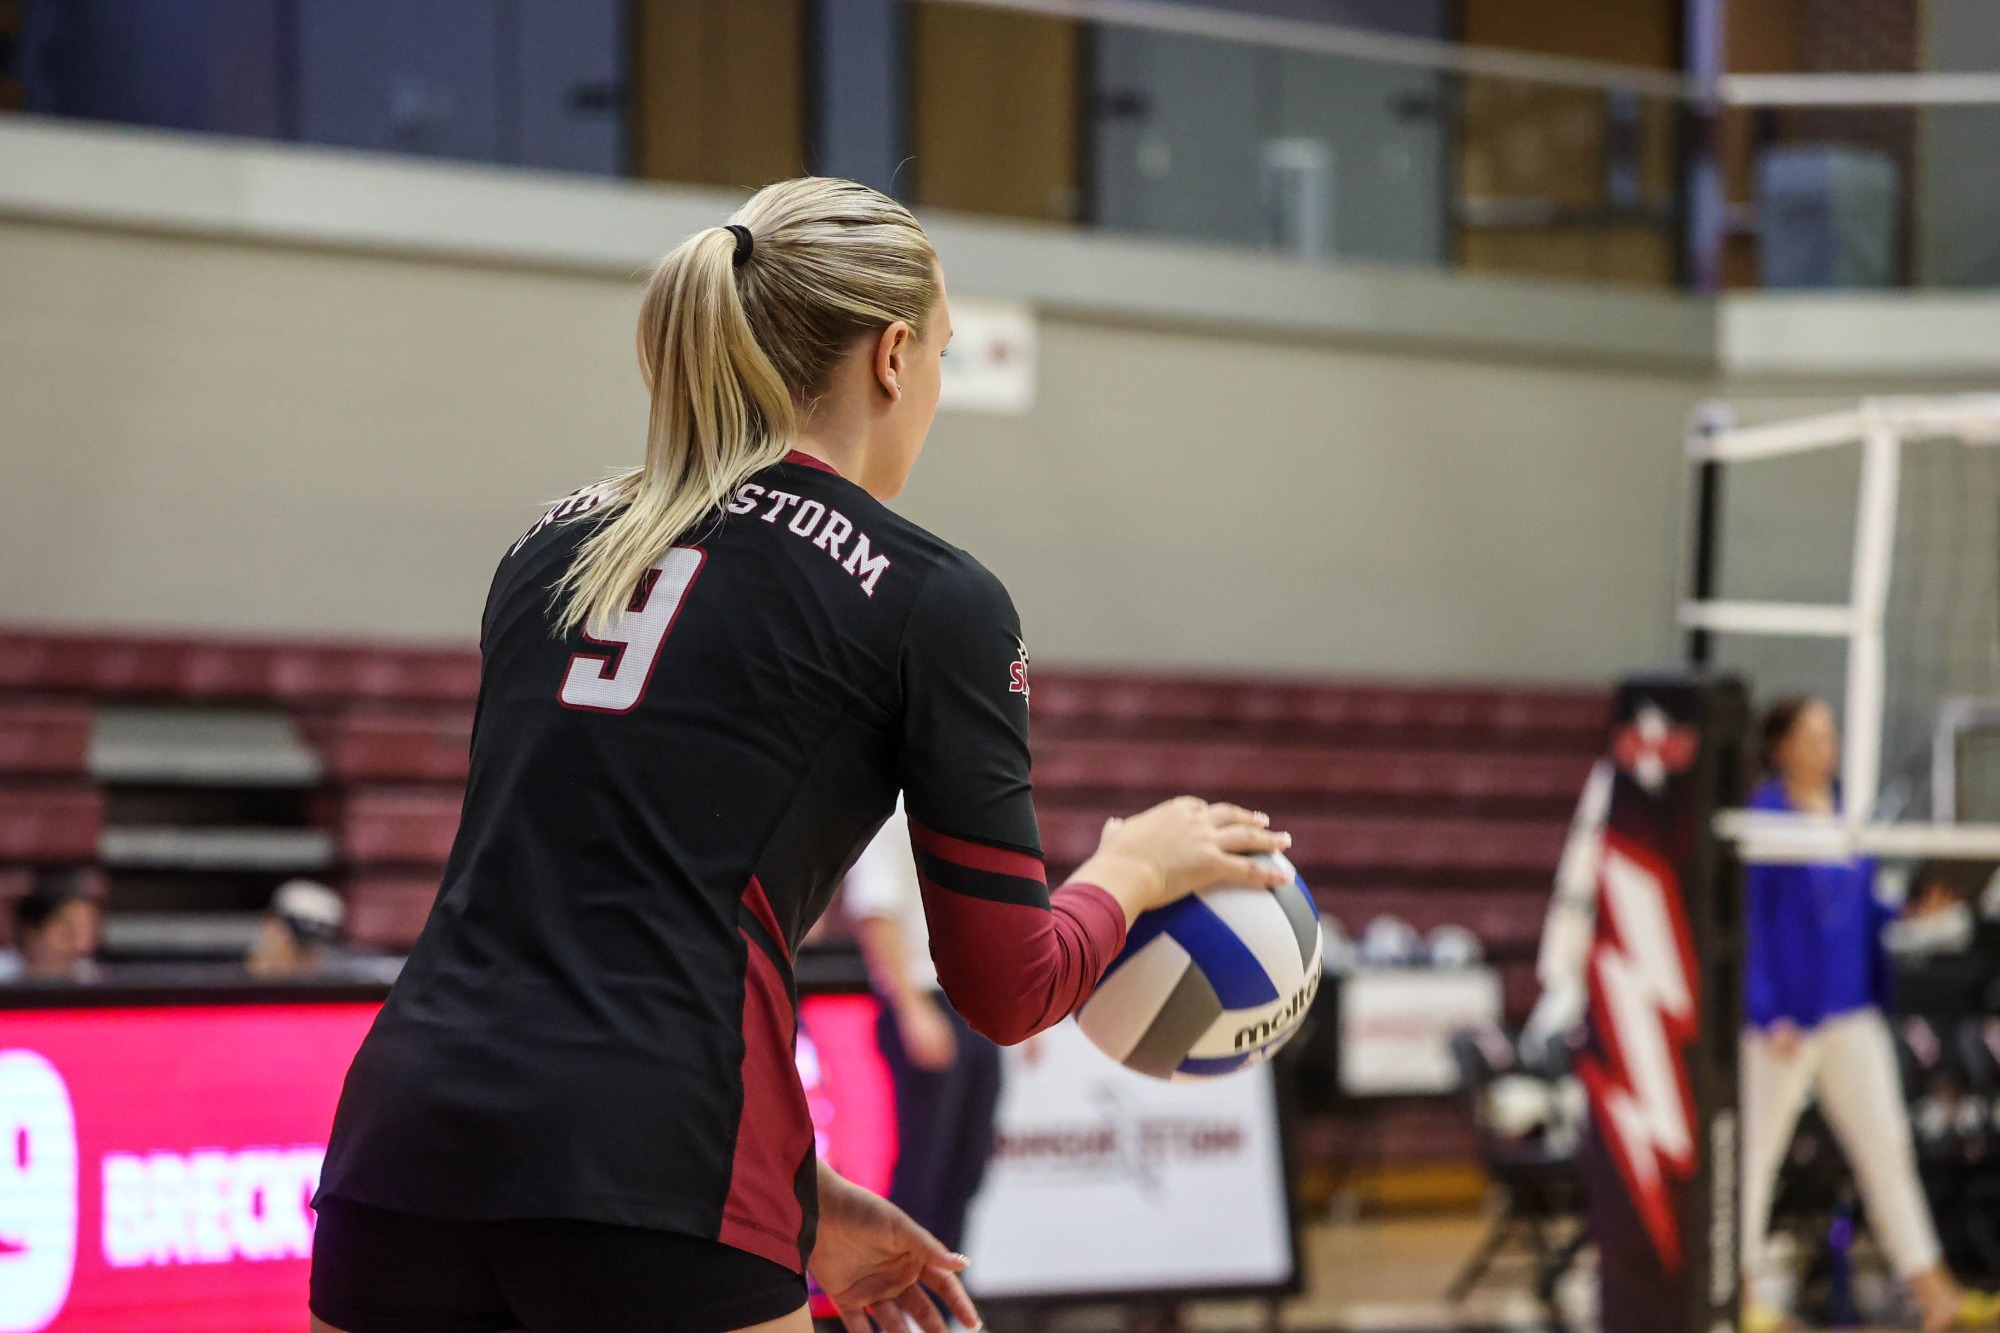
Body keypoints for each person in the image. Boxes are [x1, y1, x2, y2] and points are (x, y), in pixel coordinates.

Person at [308, 177, 1292, 1333]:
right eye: (941, 352)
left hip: (402, 1148)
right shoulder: (934, 595)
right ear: (890, 357)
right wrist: (1132, 870)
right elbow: (1008, 984)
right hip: (661, 1169)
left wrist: (799, 1195)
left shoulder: (548, 550)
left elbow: (578, 917)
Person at [1740, 696, 1996, 1332]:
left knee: (1887, 1149)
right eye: (1815, 736)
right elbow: (1748, 926)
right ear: (1782, 748)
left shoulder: (1848, 812)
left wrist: (1911, 911)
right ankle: (1739, 1291)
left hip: (1852, 1014)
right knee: (1755, 1157)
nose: (1828, 748)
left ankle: (1933, 1290)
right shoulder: (1760, 819)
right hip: (1787, 1024)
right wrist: (1764, 1010)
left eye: (1832, 735)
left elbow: (1859, 912)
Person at [847, 799, 1001, 1260]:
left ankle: (944, 1298)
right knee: (922, 1172)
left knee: (967, 1168)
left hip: (973, 1005)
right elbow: (876, 911)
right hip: (923, 997)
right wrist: (911, 1007)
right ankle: (898, 1303)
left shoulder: (973, 809)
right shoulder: (891, 810)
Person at [0, 867, 104, 983]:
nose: (83, 946)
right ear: (32, 934)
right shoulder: (4, 977)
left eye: (90, 935)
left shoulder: (97, 981)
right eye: (68, 933)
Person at [246, 878, 347, 978]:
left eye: (306, 951)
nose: (301, 962)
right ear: (269, 922)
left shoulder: (333, 986)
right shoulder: (234, 977)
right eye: (296, 945)